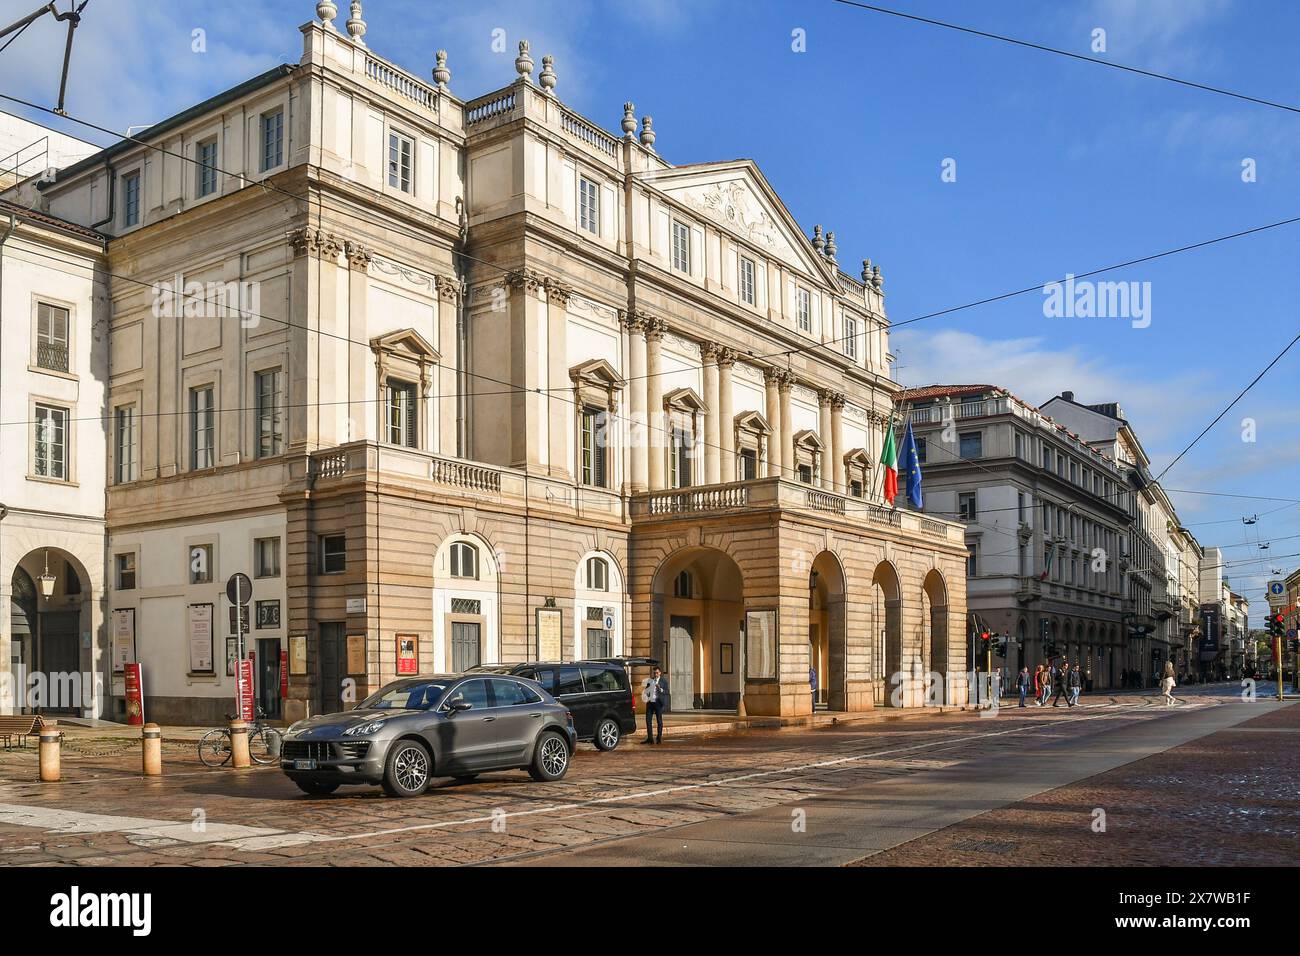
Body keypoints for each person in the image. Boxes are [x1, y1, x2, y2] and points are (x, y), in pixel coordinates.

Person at [642, 666, 667, 744]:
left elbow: (666, 691)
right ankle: (650, 738)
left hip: (658, 703)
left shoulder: (663, 681)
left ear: (660, 673)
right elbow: (646, 690)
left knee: (659, 721)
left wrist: (660, 688)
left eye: (657, 673)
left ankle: (659, 738)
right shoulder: (651, 680)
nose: (655, 674)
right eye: (654, 673)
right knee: (648, 720)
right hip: (650, 703)